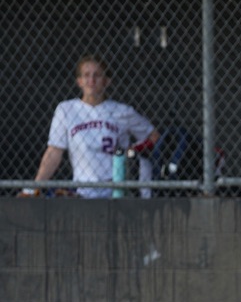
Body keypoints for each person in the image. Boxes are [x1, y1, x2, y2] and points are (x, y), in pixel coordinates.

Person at [30, 55, 159, 199]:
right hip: (82, 189)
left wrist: (133, 150)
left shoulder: (122, 111)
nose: (91, 80)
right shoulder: (66, 109)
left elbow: (154, 136)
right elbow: (54, 151)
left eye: (97, 75)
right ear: (79, 81)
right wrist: (35, 188)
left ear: (106, 81)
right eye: (86, 75)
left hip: (115, 189)